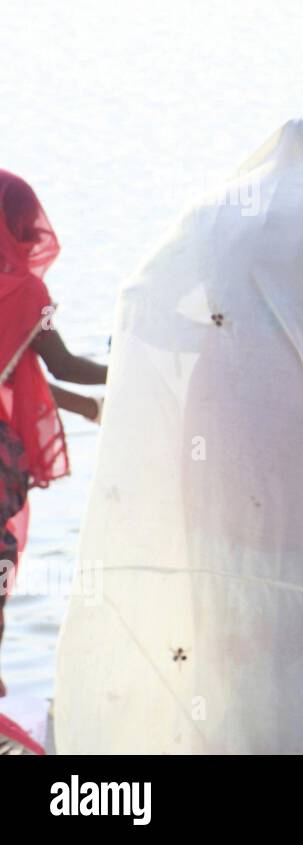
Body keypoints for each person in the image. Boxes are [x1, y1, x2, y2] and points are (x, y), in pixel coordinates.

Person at [54, 120, 303, 753]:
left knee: (234, 572)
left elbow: (140, 300)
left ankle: (240, 730)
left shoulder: (212, 211)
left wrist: (220, 341)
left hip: (222, 413)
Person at [0, 171, 107, 697]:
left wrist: (87, 408)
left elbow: (18, 373)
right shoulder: (25, 291)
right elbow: (60, 365)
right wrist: (128, 365)